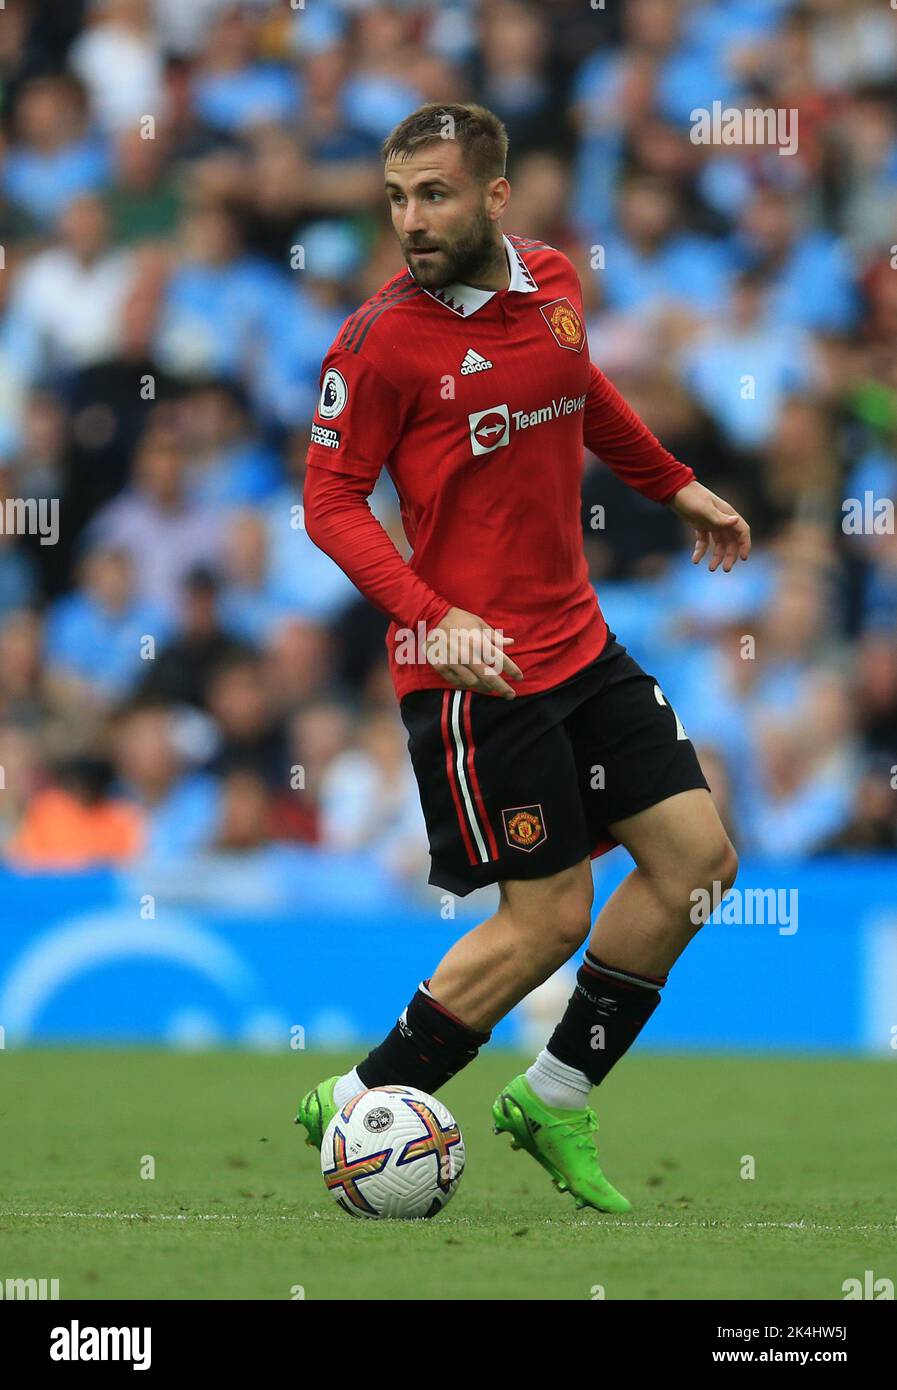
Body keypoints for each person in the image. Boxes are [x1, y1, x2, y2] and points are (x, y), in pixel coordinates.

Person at [296, 103, 750, 1213]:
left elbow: (581, 390)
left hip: (580, 641)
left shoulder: (551, 282)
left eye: (435, 194)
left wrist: (673, 481)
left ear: (496, 197)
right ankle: (360, 1098)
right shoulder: (378, 341)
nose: (411, 218)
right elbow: (330, 499)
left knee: (698, 861)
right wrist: (429, 611)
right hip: (472, 669)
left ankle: (553, 1095)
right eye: (398, 197)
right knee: (549, 915)